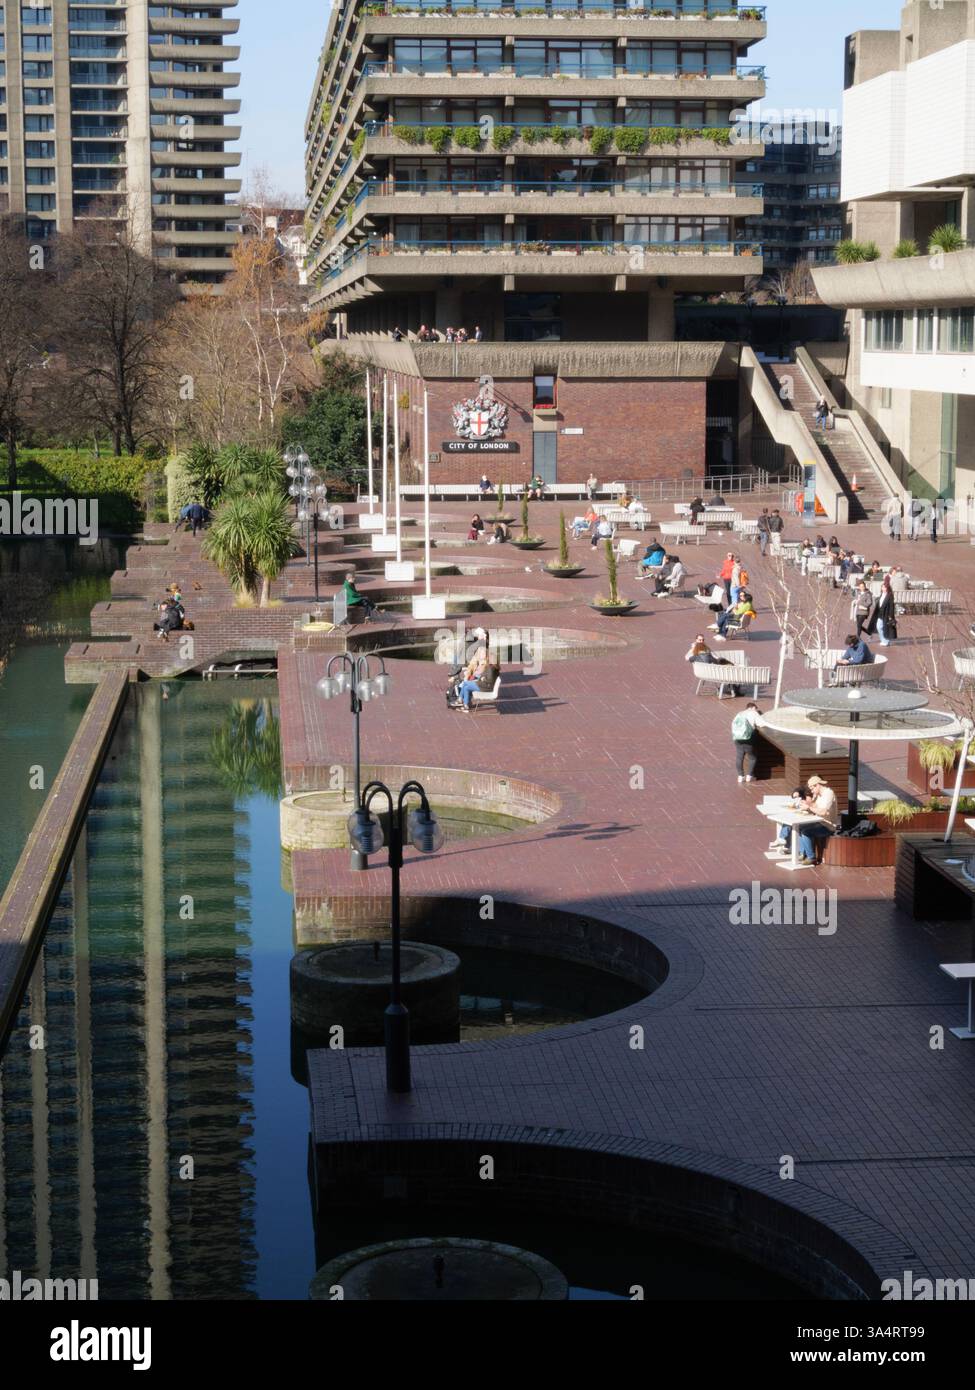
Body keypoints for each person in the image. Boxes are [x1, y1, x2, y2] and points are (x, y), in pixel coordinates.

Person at [796, 775, 839, 865]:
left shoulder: (829, 794)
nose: (811, 791)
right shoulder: (819, 794)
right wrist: (808, 803)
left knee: (806, 832)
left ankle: (811, 857)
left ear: (817, 785)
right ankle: (802, 853)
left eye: (812, 789)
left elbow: (823, 812)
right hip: (819, 822)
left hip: (828, 826)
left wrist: (809, 808)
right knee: (799, 827)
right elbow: (816, 807)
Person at [769, 787, 813, 855]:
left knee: (793, 825)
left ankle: (785, 842)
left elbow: (811, 805)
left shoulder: (813, 796)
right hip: (805, 816)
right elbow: (801, 790)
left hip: (811, 819)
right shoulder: (806, 793)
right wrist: (796, 794)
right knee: (789, 822)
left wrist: (807, 804)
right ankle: (786, 843)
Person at [732, 702, 763, 783]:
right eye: (756, 708)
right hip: (748, 738)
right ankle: (749, 776)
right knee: (752, 757)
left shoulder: (740, 713)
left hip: (737, 738)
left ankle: (740, 776)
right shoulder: (753, 713)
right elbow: (761, 723)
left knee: (739, 757)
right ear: (753, 707)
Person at [866, 574, 897, 647]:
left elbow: (891, 606)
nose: (883, 588)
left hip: (886, 614)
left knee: (885, 628)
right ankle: (884, 640)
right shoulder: (882, 594)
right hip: (880, 613)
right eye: (882, 587)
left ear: (887, 588)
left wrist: (891, 616)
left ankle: (885, 641)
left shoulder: (889, 596)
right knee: (879, 626)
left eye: (884, 587)